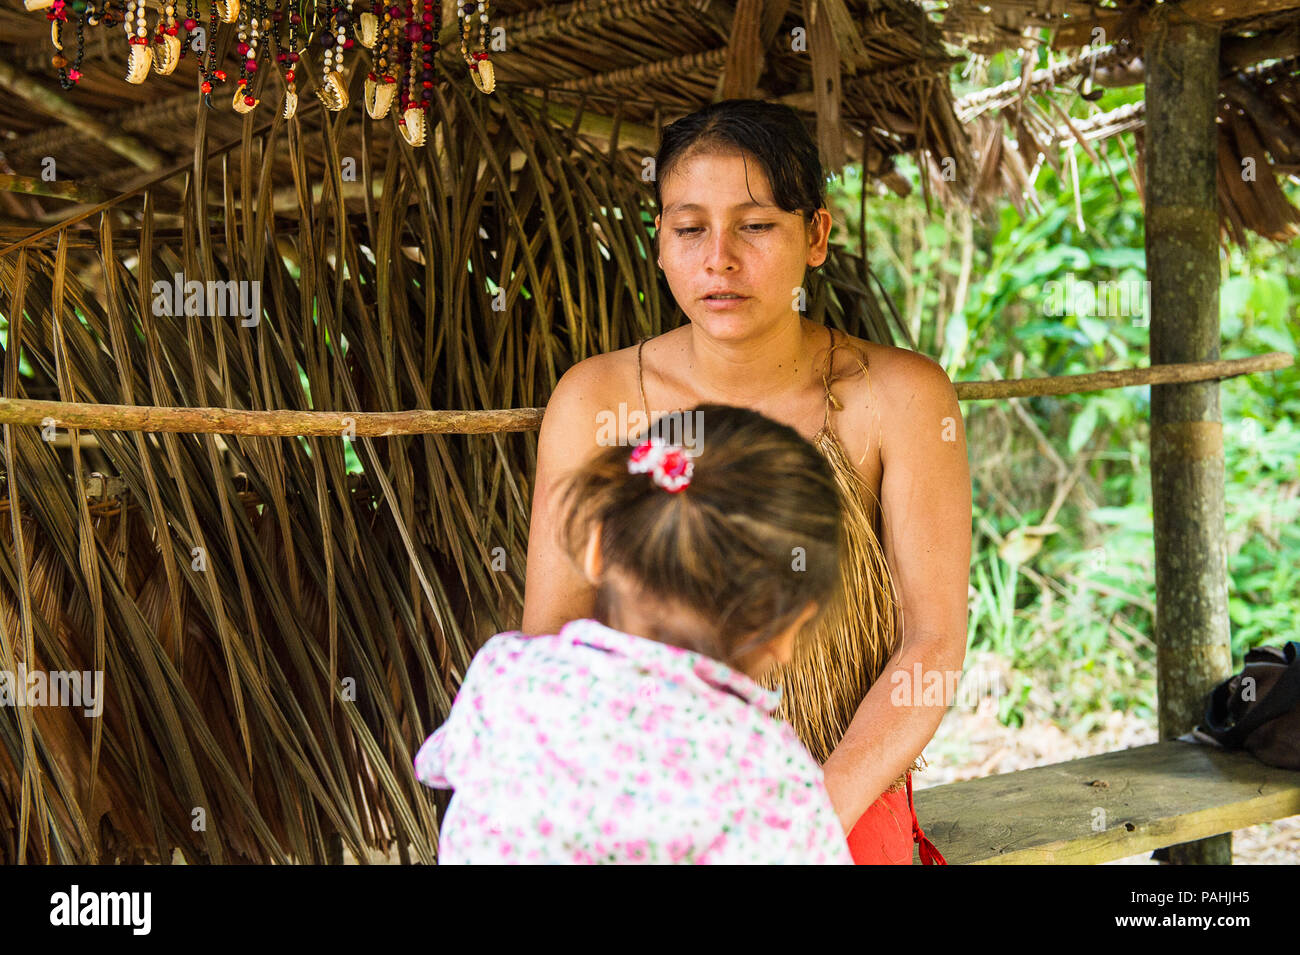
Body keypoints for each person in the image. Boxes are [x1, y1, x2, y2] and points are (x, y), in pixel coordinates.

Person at [521, 99, 971, 863]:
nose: (719, 259)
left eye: (756, 225)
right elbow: (553, 642)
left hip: (836, 790)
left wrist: (805, 822)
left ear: (816, 235)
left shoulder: (899, 398)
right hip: (646, 791)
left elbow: (932, 644)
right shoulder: (596, 400)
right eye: (689, 228)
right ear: (659, 242)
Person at [416, 406, 854, 863]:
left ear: (595, 551)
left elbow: (440, 766)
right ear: (787, 628)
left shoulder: (506, 674)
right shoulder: (773, 778)